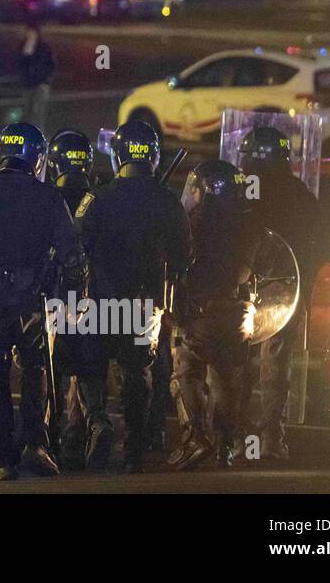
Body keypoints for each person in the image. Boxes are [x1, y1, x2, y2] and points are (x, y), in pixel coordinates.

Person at [0, 123, 83, 480]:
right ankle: (36, 447)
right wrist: (72, 303)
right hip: (34, 301)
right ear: (37, 157)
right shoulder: (49, 198)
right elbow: (73, 257)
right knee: (35, 371)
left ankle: (1, 458)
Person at [76, 119, 190, 472]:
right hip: (144, 305)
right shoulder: (168, 201)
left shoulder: (96, 197)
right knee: (138, 373)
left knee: (90, 368)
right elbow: (184, 254)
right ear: (152, 157)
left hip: (101, 301)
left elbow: (76, 247)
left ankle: (98, 420)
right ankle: (135, 450)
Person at [236, 125, 330, 462]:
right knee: (274, 366)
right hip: (283, 294)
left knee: (239, 364)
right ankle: (269, 441)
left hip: (247, 292)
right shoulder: (300, 194)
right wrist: (303, 284)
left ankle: (237, 438)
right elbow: (324, 248)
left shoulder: (242, 194)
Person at [169, 160, 265, 470]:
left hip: (200, 313)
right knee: (227, 380)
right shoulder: (251, 225)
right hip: (238, 313)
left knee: (186, 372)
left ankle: (196, 439)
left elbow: (176, 265)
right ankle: (225, 447)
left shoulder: (192, 224)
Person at [45, 128, 95, 468]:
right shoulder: (99, 200)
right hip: (93, 301)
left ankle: (48, 439)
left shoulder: (45, 200)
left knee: (49, 373)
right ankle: (78, 440)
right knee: (84, 372)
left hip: (52, 298)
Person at [17, 23, 54, 131]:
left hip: (41, 83)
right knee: (26, 109)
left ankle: (38, 134)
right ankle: (27, 133)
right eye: (28, 32)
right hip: (27, 83)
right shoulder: (23, 46)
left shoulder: (43, 47)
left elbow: (50, 64)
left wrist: (46, 79)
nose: (30, 35)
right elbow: (19, 63)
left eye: (32, 32)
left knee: (38, 111)